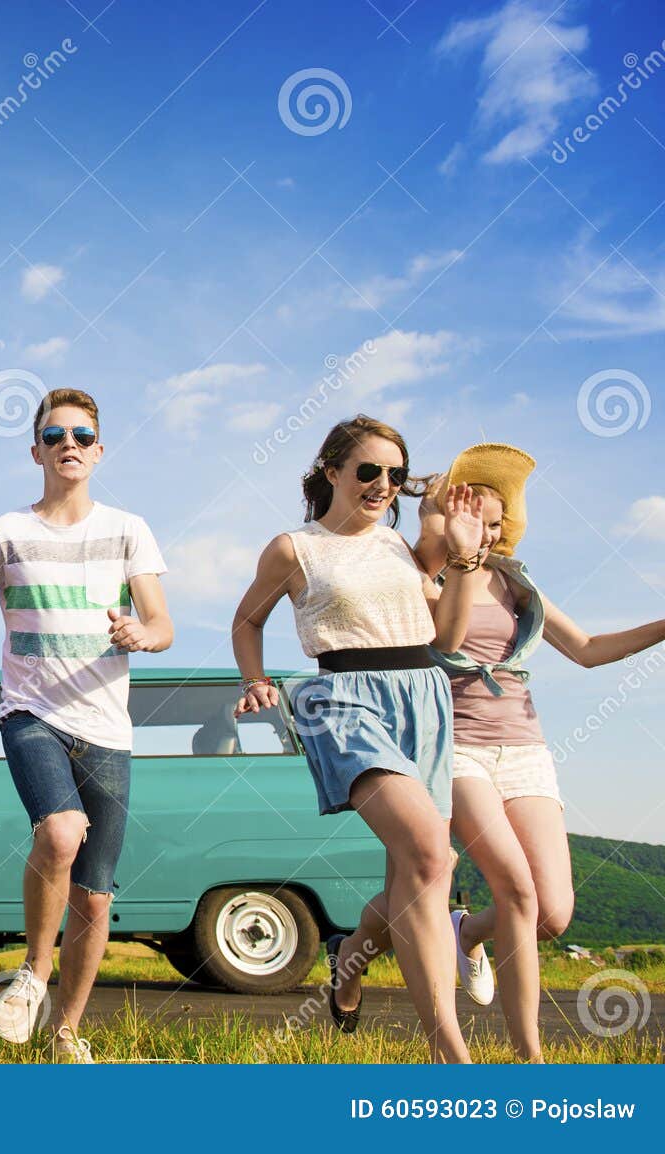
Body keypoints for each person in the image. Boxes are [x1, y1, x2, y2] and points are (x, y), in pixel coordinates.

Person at [337, 444, 665, 1062]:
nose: (485, 535)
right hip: (453, 746)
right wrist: (450, 542)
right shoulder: (418, 576)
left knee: (554, 912)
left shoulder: (517, 581)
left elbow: (589, 648)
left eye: (494, 523)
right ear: (443, 518)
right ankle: (529, 1057)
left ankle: (424, 938)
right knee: (515, 888)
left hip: (525, 747)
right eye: (473, 519)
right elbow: (446, 639)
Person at [231, 415, 483, 1064]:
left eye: (395, 475)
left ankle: (350, 956)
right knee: (430, 850)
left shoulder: (407, 547)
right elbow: (246, 619)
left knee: (423, 874)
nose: (382, 485)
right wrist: (255, 679)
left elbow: (449, 639)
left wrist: (464, 553)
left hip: (423, 697)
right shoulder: (295, 548)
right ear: (332, 472)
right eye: (368, 471)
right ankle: (452, 1054)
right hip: (341, 698)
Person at [0, 388, 172, 1063]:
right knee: (61, 830)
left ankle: (67, 1030)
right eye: (54, 435)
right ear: (37, 449)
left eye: (81, 434)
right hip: (30, 713)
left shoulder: (129, 529)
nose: (67, 444)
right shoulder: (6, 531)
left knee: (95, 898)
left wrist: (143, 633)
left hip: (107, 730)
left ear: (98, 451)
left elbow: (162, 623)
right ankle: (31, 974)